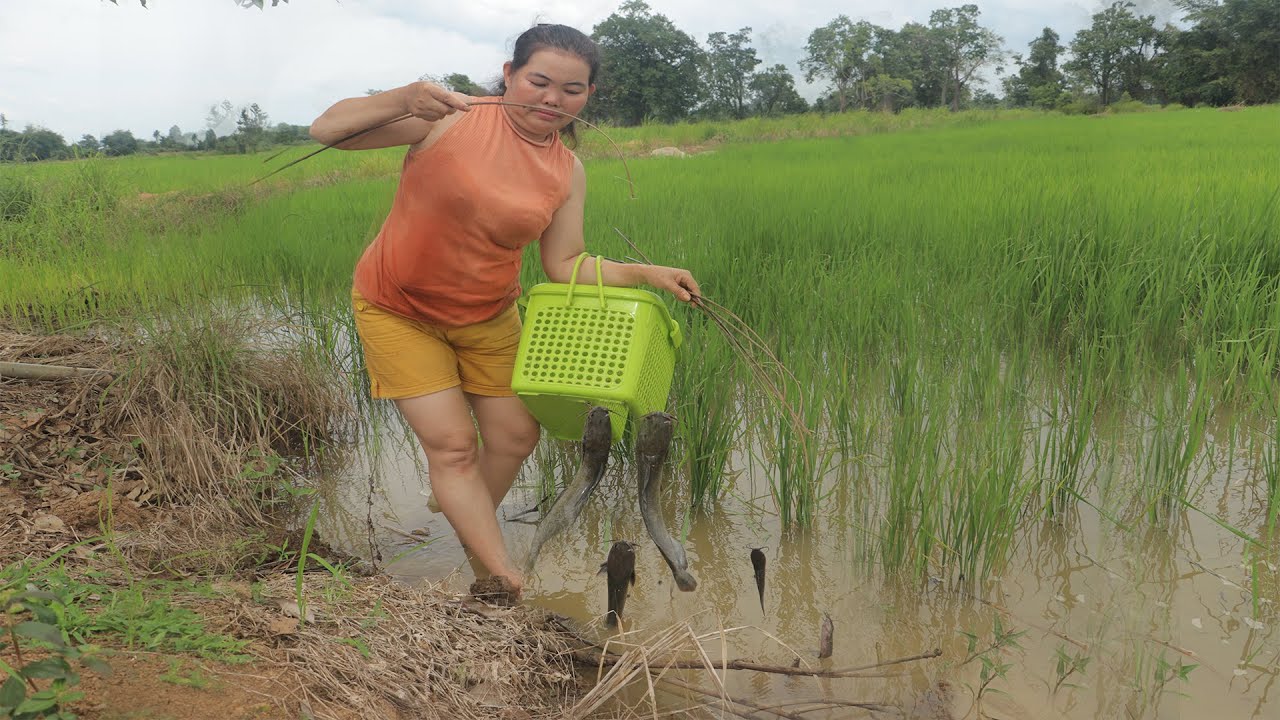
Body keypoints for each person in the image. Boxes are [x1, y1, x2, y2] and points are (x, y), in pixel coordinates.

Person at [309, 24, 701, 599]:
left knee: (516, 438)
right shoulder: (451, 117)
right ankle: (500, 577)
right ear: (509, 74)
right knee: (453, 447)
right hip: (398, 309)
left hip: (489, 316)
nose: (552, 99)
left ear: (588, 96)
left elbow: (565, 263)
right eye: (538, 81)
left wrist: (647, 274)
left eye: (571, 90)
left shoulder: (567, 170)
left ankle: (464, 520)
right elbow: (327, 131)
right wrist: (403, 98)